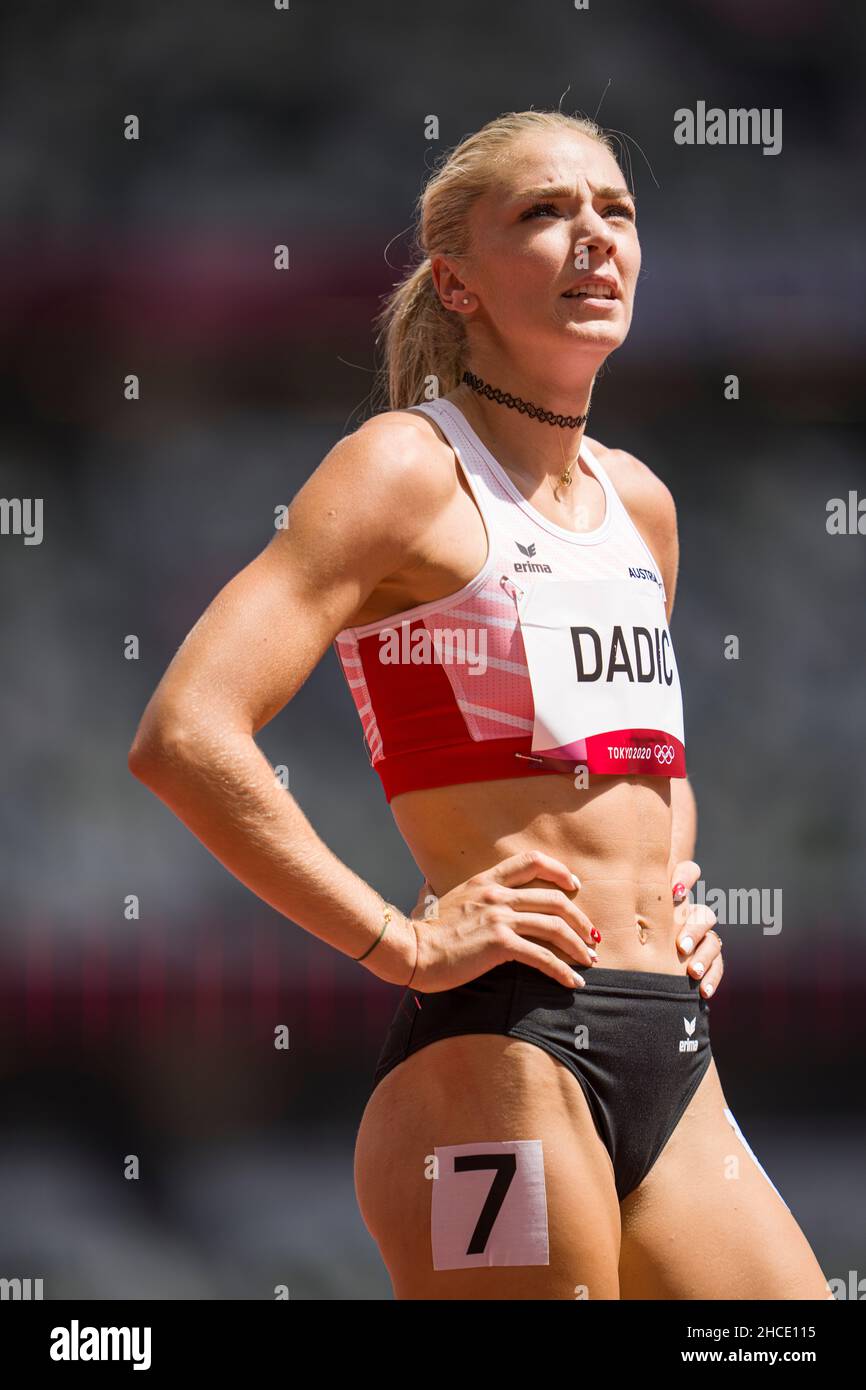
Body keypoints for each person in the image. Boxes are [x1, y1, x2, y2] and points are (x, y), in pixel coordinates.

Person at [128, 108, 832, 1300]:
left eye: (614, 211)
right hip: (496, 1046)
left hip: (669, 1039)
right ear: (453, 282)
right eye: (544, 213)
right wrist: (393, 940)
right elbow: (185, 733)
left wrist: (674, 886)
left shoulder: (641, 505)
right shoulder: (401, 468)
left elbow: (646, 759)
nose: (593, 239)